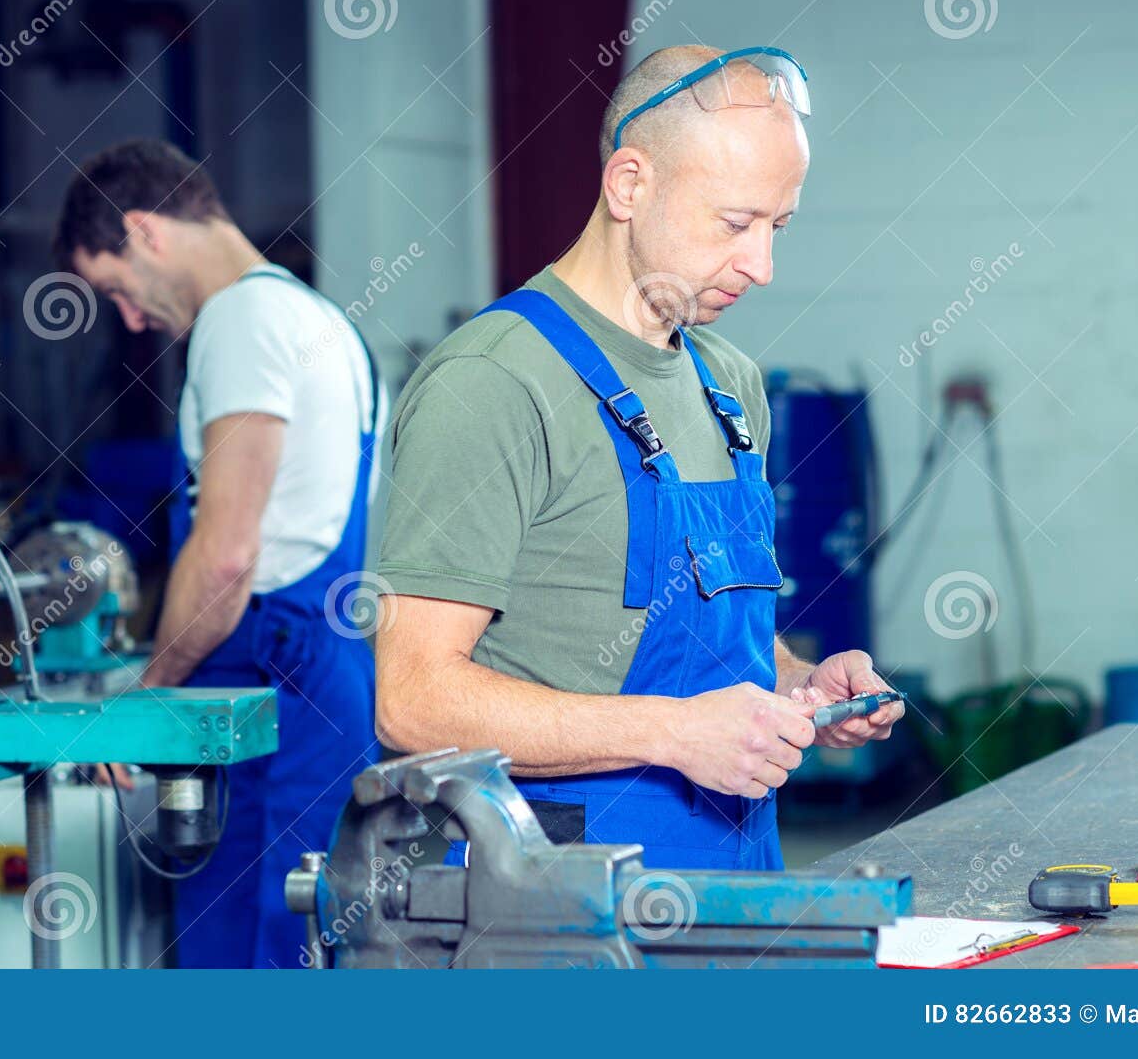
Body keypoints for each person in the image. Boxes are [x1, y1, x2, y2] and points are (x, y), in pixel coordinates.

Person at [374, 46, 901, 869]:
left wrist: (797, 689)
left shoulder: (728, 386)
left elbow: (720, 659)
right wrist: (675, 733)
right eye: (734, 224)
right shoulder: (493, 381)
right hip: (558, 912)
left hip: (735, 883)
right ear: (628, 184)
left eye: (778, 226)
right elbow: (412, 700)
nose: (761, 266)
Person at [52, 139, 381, 965]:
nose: (130, 319)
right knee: (304, 951)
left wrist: (147, 700)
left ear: (145, 230)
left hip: (263, 693)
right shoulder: (317, 319)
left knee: (246, 960)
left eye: (118, 289)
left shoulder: (240, 320)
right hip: (320, 678)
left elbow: (228, 552)